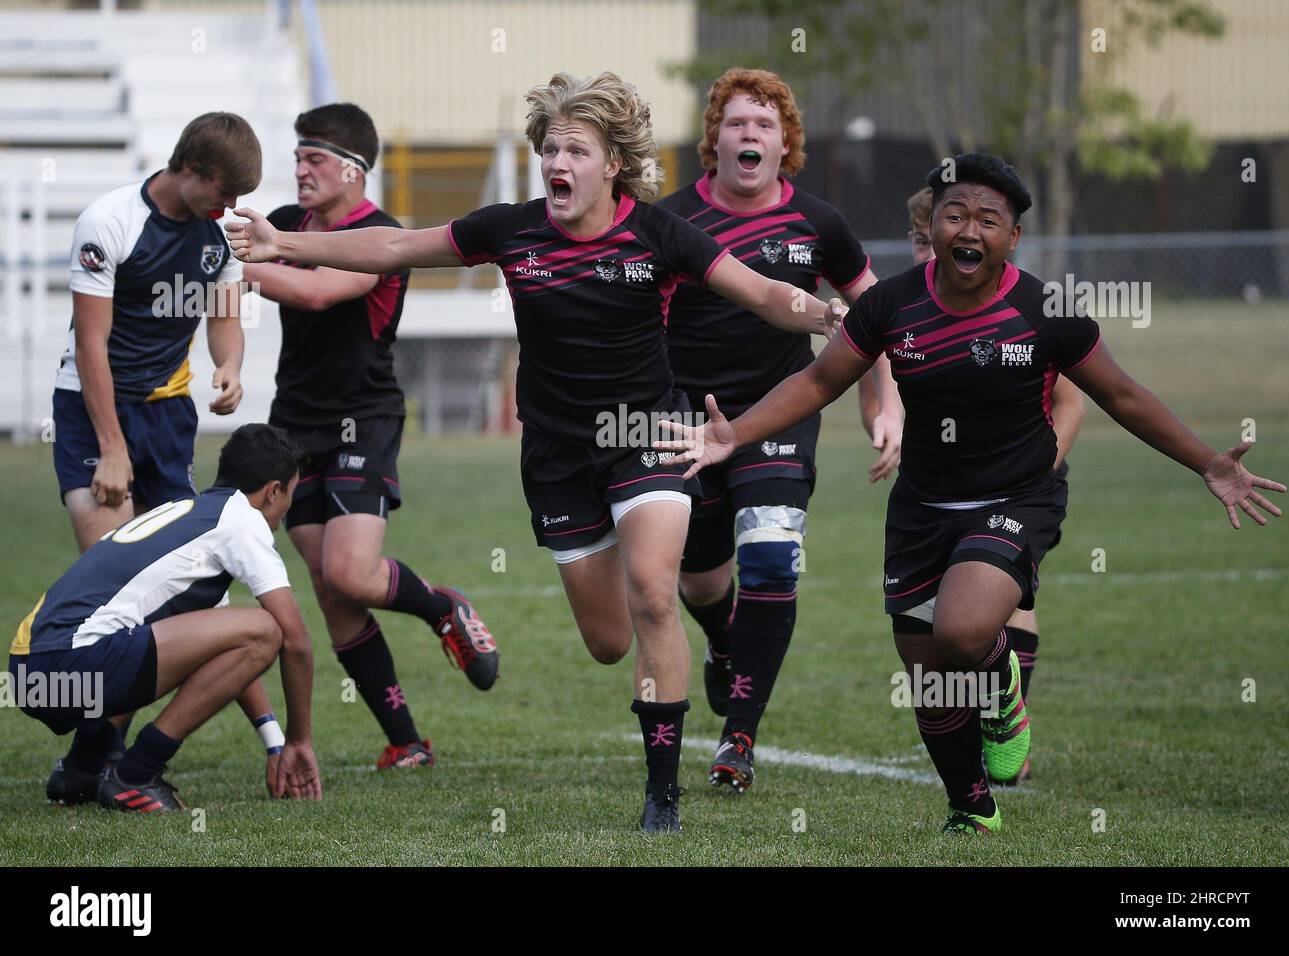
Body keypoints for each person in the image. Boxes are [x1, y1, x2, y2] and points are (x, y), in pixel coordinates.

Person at [225, 72, 843, 833]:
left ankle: (662, 798)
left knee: (655, 591)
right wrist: (284, 240)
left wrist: (832, 315)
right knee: (610, 641)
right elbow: (395, 244)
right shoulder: (511, 230)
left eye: (576, 149)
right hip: (557, 455)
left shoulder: (658, 234)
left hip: (647, 434)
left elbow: (758, 291)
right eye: (551, 147)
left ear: (611, 163)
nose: (559, 161)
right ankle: (696, 644)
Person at [657, 153, 1285, 833]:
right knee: (930, 676)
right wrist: (734, 435)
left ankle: (1005, 692)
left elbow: (1124, 395)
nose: (970, 229)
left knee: (962, 631)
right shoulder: (892, 305)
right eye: (955, 214)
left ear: (1012, 237)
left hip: (1017, 496)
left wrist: (1206, 464)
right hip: (923, 506)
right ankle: (971, 806)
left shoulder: (1046, 309)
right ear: (935, 225)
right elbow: (817, 383)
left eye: (989, 219)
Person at [658, 68, 901, 792]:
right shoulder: (672, 220)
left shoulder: (819, 224)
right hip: (685, 423)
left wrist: (882, 405)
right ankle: (724, 644)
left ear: (784, 140)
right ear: (716, 138)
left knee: (769, 559)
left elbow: (873, 315)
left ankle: (739, 736)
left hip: (781, 414)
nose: (750, 136)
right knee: (700, 581)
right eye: (737, 123)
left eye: (764, 125)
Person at [239, 103, 497, 772]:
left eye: (313, 159)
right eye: (297, 159)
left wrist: (238, 265)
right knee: (331, 591)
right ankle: (406, 741)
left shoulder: (382, 235)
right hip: (293, 421)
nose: (299, 170)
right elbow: (241, 280)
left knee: (350, 572)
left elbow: (319, 293)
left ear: (354, 171)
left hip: (364, 417)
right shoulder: (287, 225)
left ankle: (445, 605)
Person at [44, 112, 259, 801]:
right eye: (221, 194)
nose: (227, 212)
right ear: (190, 168)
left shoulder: (217, 235)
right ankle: (100, 766)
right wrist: (111, 450)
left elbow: (225, 314)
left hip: (169, 420)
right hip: (90, 413)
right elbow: (91, 344)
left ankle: (93, 767)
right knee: (116, 600)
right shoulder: (108, 223)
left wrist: (229, 366)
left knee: (169, 594)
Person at [871, 185, 1087, 783]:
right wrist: (886, 424)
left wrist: (1039, 471)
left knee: (996, 606)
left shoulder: (1025, 305)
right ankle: (979, 762)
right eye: (919, 239)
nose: (929, 250)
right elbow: (862, 374)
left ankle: (1004, 716)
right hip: (936, 490)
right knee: (938, 630)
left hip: (1019, 481)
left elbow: (1076, 399)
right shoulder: (904, 305)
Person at [10, 424, 322, 811]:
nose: (288, 508)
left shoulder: (190, 516)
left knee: (136, 629)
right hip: (68, 666)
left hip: (31, 677)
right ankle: (136, 775)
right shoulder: (241, 520)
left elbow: (224, 649)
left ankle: (83, 768)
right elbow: (295, 642)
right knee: (266, 629)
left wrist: (274, 740)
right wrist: (299, 742)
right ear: (274, 490)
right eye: (291, 493)